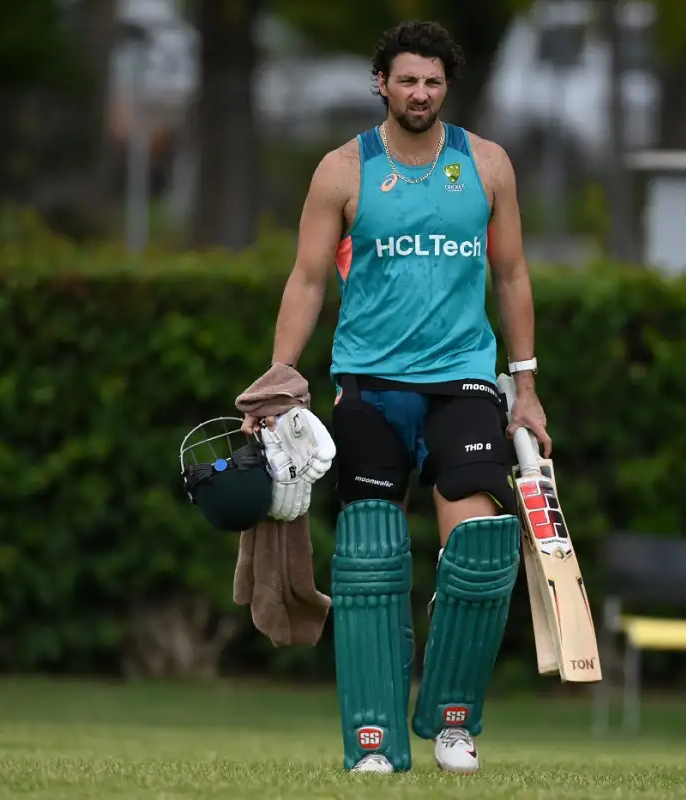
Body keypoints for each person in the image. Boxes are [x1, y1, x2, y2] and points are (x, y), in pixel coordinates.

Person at [243, 20, 550, 775]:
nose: (420, 93)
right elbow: (309, 279)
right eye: (407, 80)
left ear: (449, 86)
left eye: (434, 81)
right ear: (381, 83)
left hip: (466, 380)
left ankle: (450, 721)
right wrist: (280, 381)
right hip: (372, 385)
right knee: (370, 559)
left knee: (479, 549)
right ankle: (373, 740)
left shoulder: (487, 165)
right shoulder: (343, 171)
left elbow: (511, 276)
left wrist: (528, 389)